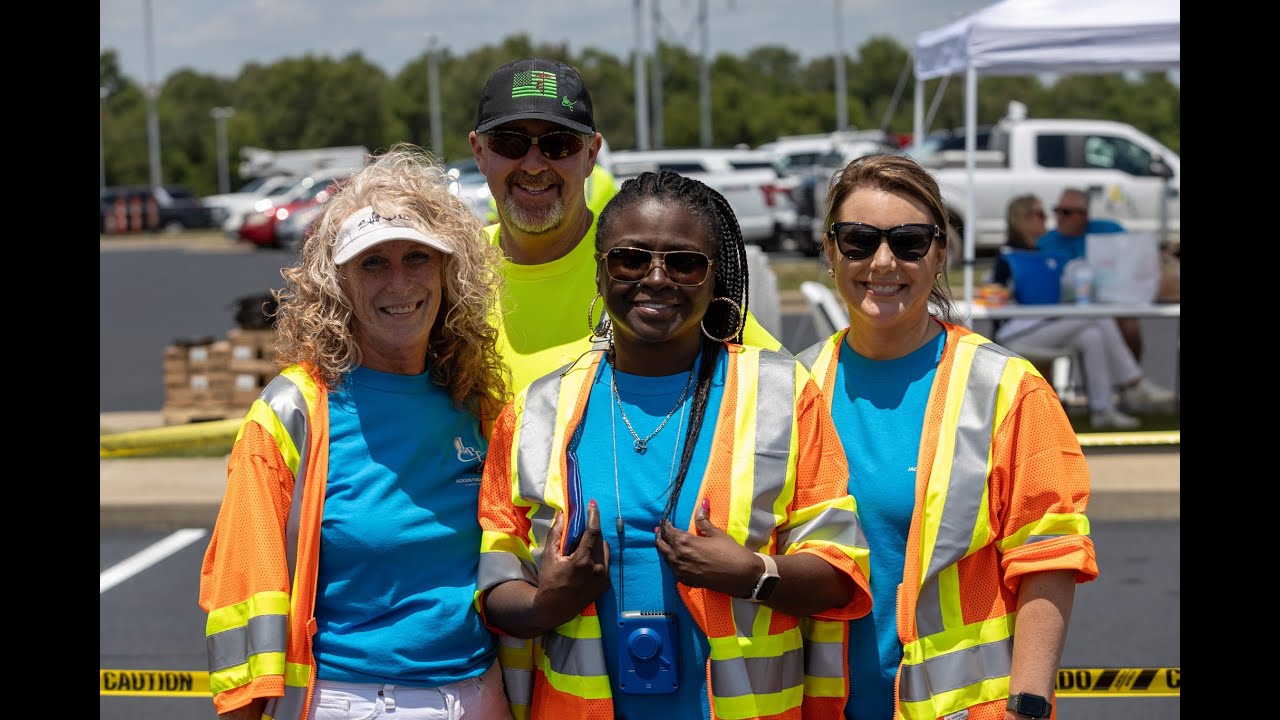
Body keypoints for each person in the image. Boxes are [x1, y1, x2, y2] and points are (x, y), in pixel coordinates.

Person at [474, 169, 872, 720]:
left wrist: (752, 574)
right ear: (600, 273)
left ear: (714, 278)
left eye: (685, 263)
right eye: (630, 259)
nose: (657, 278)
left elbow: (839, 573)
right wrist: (547, 602)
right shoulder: (537, 411)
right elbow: (496, 585)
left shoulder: (783, 395)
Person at [198, 144, 514, 720]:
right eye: (372, 263)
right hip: (353, 701)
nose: (399, 282)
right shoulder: (293, 412)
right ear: (336, 283)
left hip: (481, 694)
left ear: (448, 272)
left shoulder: (478, 402)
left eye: (417, 257)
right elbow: (243, 586)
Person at [796, 154, 1099, 720]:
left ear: (940, 255)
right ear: (830, 251)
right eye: (859, 240)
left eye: (909, 242)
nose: (882, 261)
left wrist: (1028, 706)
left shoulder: (1005, 388)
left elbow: (1049, 558)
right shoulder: (795, 386)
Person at [468, 57, 783, 398]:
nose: (533, 165)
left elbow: (785, 385)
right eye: (509, 143)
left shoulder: (637, 265)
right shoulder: (451, 271)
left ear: (591, 154)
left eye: (558, 144)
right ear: (479, 152)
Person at [993, 193, 1175, 429]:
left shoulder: (1041, 251)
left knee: (1092, 335)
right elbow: (999, 293)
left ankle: (1102, 410)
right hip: (1016, 332)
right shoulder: (1009, 256)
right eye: (1040, 214)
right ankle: (1133, 383)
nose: (1048, 219)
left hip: (1043, 324)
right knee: (1098, 316)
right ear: (1023, 218)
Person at [1037, 187, 1145, 361]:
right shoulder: (1045, 242)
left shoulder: (1110, 231)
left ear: (1084, 215)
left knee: (1129, 325)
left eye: (1066, 212)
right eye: (1057, 211)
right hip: (1064, 307)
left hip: (1107, 299)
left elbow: (1136, 255)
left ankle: (1133, 371)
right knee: (1097, 327)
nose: (1060, 217)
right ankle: (1130, 375)